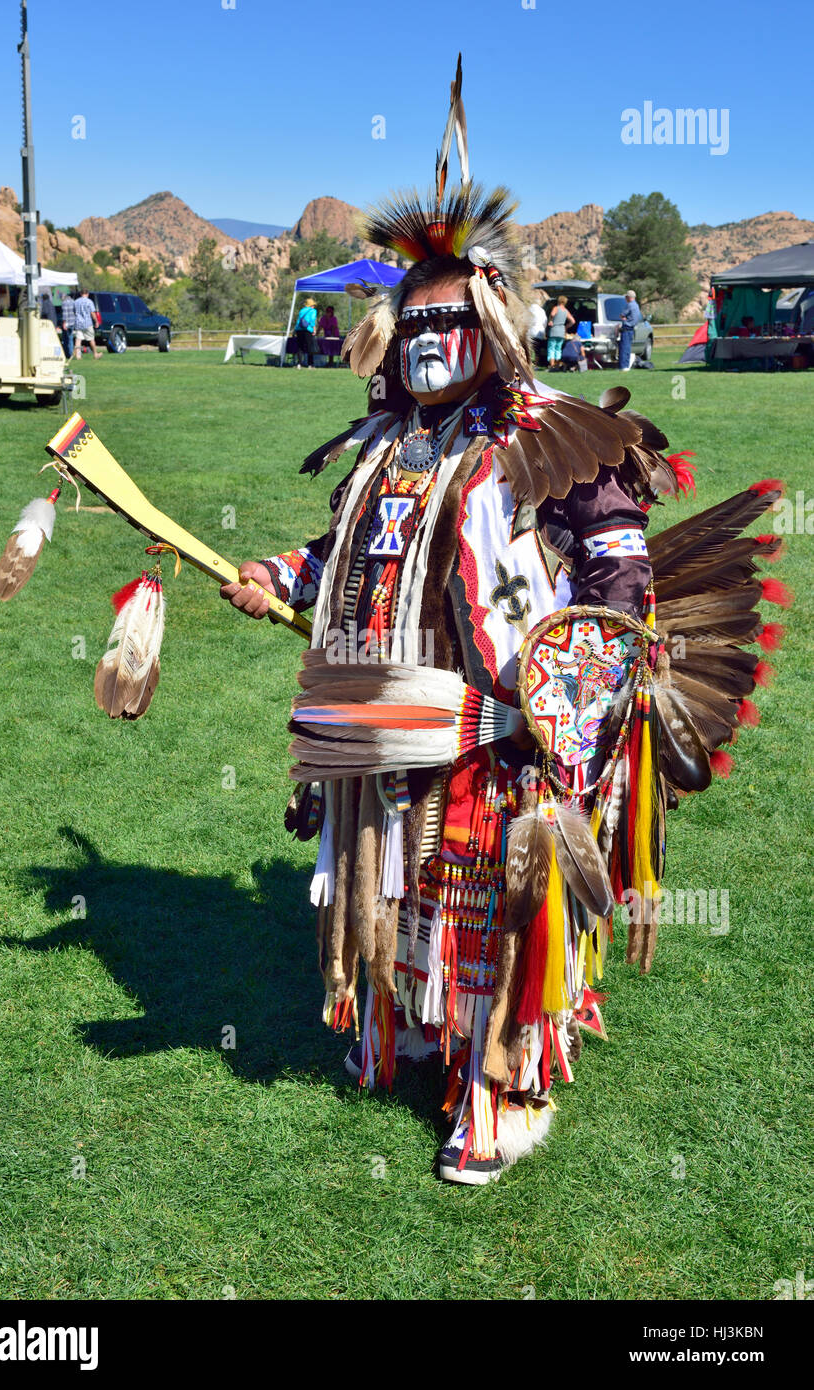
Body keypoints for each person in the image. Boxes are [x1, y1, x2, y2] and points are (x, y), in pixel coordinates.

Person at [216, 62, 788, 1186]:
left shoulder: (546, 431)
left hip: (507, 725)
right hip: (395, 713)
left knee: (493, 900)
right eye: (412, 321)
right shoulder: (386, 443)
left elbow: (619, 566)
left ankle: (502, 1089)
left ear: (487, 321)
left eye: (447, 319)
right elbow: (344, 555)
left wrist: (587, 682)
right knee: (409, 882)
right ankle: (420, 1027)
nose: (428, 340)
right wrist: (273, 571)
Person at [546, 295, 574, 368]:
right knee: (558, 349)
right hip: (561, 331)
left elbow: (552, 314)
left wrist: (551, 320)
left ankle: (552, 365)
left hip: (554, 330)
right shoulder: (566, 310)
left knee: (551, 348)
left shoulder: (556, 308)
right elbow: (573, 321)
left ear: (558, 301)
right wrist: (566, 326)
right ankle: (557, 365)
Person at [73, 289, 101, 361]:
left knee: (78, 340)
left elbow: (74, 312)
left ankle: (78, 356)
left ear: (80, 294)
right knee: (91, 339)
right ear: (87, 294)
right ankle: (95, 354)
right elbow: (92, 313)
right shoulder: (89, 302)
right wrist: (96, 321)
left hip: (78, 323)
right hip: (87, 323)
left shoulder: (76, 302)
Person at [618, 290, 641, 371]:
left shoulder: (629, 305)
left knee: (624, 348)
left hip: (626, 328)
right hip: (631, 329)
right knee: (628, 348)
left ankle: (623, 366)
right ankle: (626, 366)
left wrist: (624, 319)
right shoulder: (636, 305)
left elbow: (622, 315)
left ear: (628, 297)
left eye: (626, 297)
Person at [294, 297, 318, 369]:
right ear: (311, 305)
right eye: (313, 305)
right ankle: (310, 364)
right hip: (307, 330)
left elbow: (298, 321)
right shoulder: (313, 311)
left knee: (300, 347)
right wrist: (314, 329)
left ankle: (299, 363)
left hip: (299, 329)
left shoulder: (301, 310)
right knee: (309, 347)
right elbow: (312, 320)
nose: (314, 306)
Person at [60, 290, 76, 358]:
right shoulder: (73, 301)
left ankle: (69, 353)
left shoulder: (64, 302)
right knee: (70, 338)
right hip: (72, 322)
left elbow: (65, 314)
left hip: (67, 323)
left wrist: (64, 323)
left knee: (66, 339)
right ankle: (70, 353)